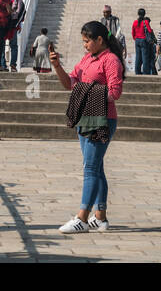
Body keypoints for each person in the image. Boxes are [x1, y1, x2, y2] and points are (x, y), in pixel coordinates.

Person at [50, 21, 125, 233]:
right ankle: (100, 216)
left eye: (87, 41)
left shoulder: (111, 61)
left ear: (99, 40)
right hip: (85, 118)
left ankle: (82, 217)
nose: (85, 45)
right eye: (83, 42)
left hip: (102, 119)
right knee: (96, 167)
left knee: (90, 168)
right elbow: (70, 84)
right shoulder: (87, 59)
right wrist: (57, 66)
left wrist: (86, 93)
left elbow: (115, 92)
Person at [3, 0, 25, 72]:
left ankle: (2, 65)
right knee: (14, 46)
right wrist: (18, 25)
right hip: (13, 25)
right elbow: (19, 12)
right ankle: (13, 65)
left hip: (3, 24)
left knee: (1, 45)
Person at [132, 8, 155, 75]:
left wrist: (135, 38)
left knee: (138, 57)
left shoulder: (135, 22)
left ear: (138, 13)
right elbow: (150, 31)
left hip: (137, 40)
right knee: (145, 57)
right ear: (144, 14)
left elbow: (133, 32)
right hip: (144, 40)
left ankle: (137, 71)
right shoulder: (145, 22)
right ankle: (145, 72)